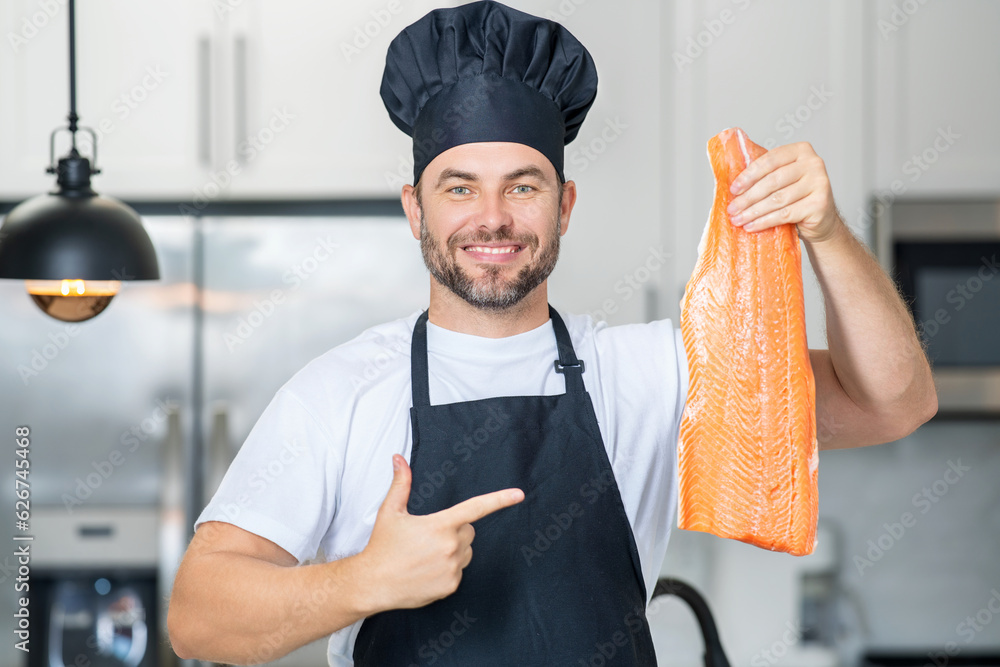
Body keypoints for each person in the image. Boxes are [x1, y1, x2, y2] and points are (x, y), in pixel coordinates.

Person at [166, 2, 937, 665]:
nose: (492, 217)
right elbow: (197, 615)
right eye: (459, 186)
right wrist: (364, 580)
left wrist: (828, 235)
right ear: (414, 208)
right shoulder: (338, 392)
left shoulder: (650, 373)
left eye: (522, 186)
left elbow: (891, 403)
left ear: (564, 205)